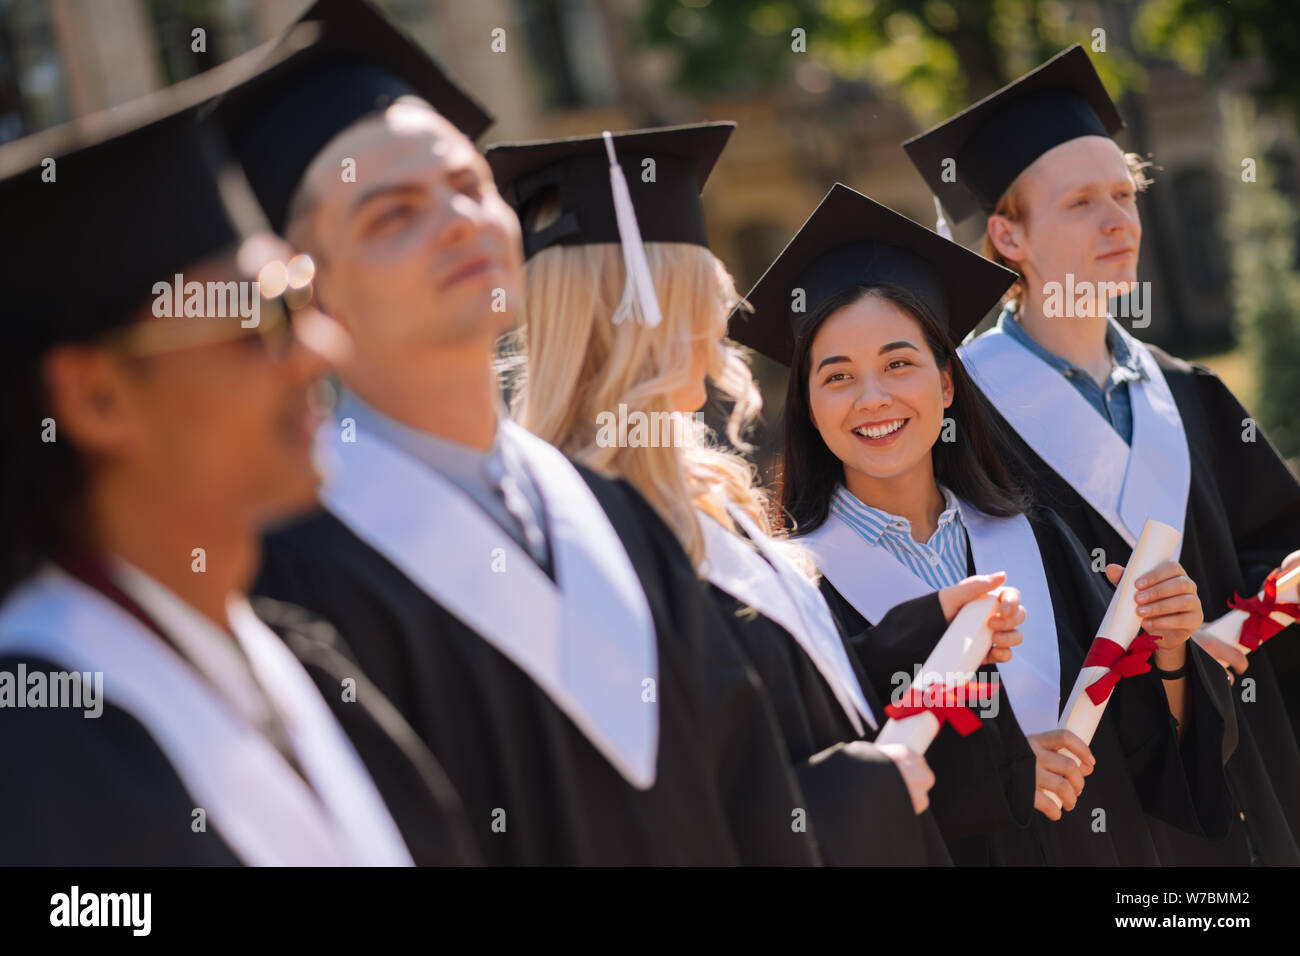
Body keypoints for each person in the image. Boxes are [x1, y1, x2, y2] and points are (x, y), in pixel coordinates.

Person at [219, 0, 818, 865]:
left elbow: (758, 809)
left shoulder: (616, 520)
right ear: (310, 291)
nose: (459, 221)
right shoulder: (288, 576)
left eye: (467, 187)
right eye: (393, 215)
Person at [485, 123, 1043, 864]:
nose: (721, 322)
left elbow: (778, 711)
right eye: (699, 296)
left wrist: (913, 640)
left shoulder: (698, 494)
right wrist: (858, 793)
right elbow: (659, 813)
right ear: (637, 324)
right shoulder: (578, 534)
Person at [0, 44, 476, 866]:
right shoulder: (37, 744)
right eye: (261, 324)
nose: (319, 350)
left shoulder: (308, 666)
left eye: (301, 299)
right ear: (93, 397)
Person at [731, 182, 1227, 865]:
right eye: (837, 376)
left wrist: (1170, 652)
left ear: (945, 383)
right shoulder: (791, 594)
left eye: (899, 363)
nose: (873, 398)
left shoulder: (1045, 540)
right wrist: (999, 779)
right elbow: (816, 809)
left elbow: (1153, 763)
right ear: (808, 407)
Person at [905, 43, 1300, 865]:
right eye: (1083, 202)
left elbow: (1273, 555)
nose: (1120, 220)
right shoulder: (959, 416)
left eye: (1125, 192)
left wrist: (1239, 624)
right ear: (1008, 234)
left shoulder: (1190, 395)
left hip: (1235, 774)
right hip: (1088, 800)